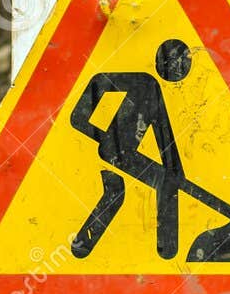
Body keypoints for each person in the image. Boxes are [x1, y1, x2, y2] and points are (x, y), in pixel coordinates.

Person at [69, 39, 193, 259]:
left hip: (120, 154)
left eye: (184, 61)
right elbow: (78, 117)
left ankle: (166, 252)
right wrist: (107, 140)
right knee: (124, 191)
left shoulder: (151, 86)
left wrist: (175, 170)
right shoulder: (136, 80)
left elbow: (164, 133)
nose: (179, 67)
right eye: (176, 61)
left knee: (159, 185)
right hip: (113, 153)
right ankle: (166, 253)